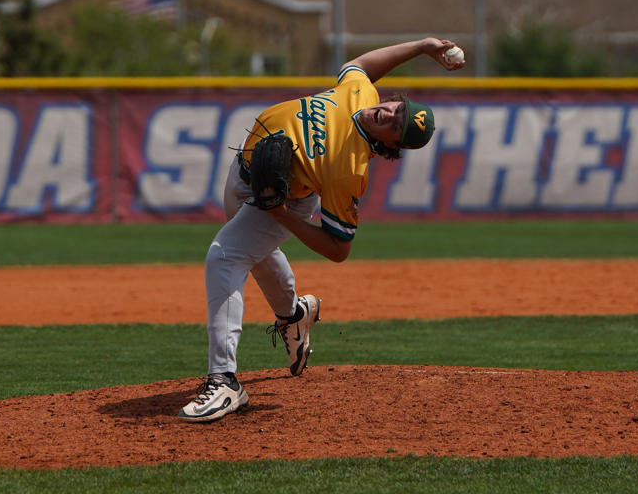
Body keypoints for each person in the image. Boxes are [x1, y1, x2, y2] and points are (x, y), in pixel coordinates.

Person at [178, 37, 465, 423]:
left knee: (225, 256)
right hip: (245, 174)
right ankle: (294, 314)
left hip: (282, 199)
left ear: (389, 146)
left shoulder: (349, 170)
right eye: (398, 108)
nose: (389, 115)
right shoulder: (361, 93)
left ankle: (224, 381)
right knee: (255, 254)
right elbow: (361, 64)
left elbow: (338, 247)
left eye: (396, 126)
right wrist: (423, 46)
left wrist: (282, 214)